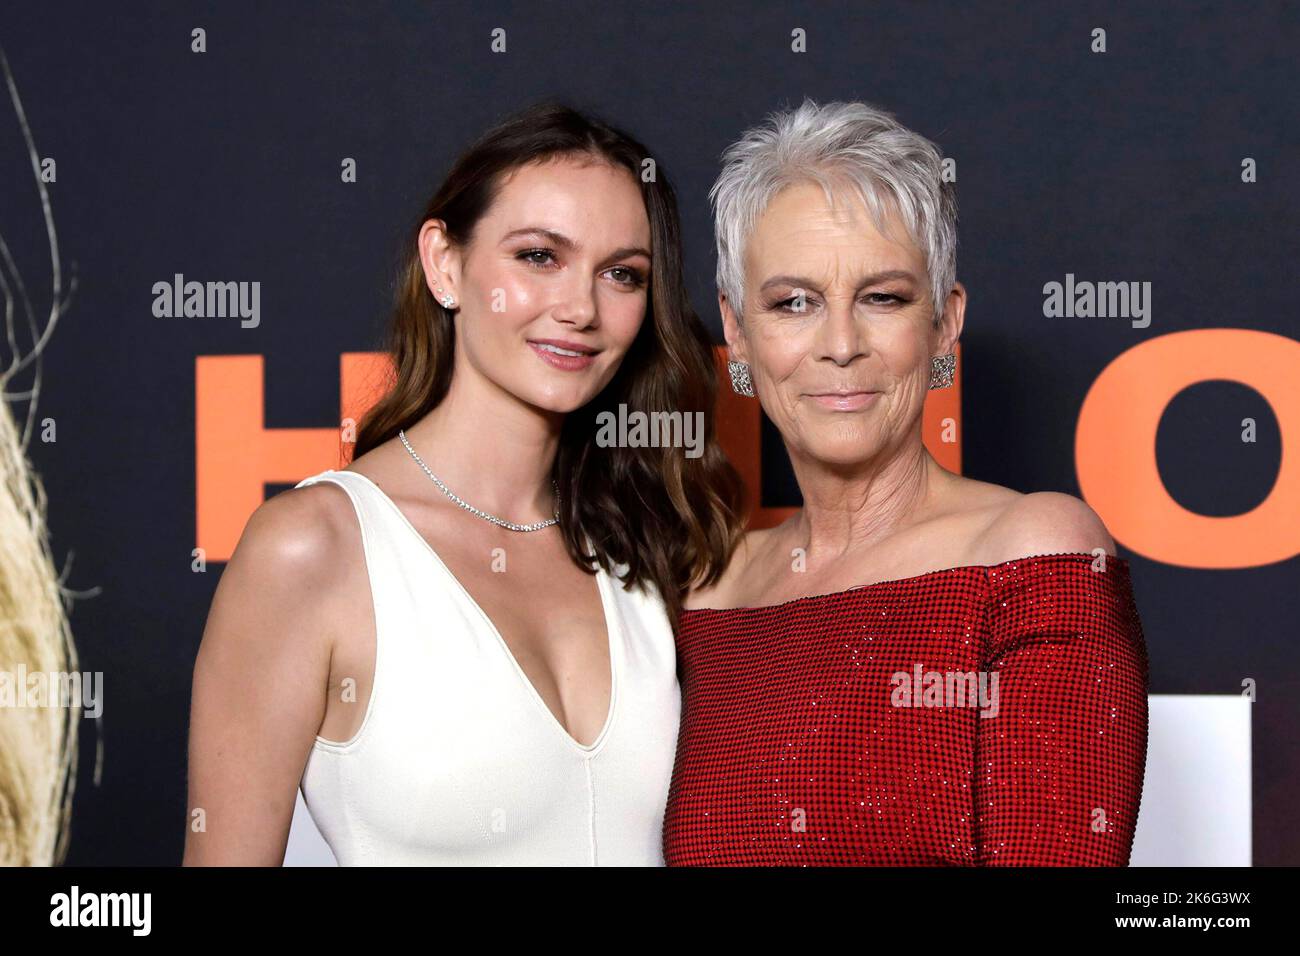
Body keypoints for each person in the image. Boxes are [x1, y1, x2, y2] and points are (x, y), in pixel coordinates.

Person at [185, 102, 743, 865]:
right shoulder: (314, 548)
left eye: (621, 274)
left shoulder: (646, 540)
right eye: (539, 256)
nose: (580, 308)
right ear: (445, 264)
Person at [662, 98, 1150, 866]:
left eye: (882, 298)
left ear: (944, 323)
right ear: (738, 332)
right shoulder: (705, 590)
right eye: (793, 303)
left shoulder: (1032, 554)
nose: (841, 345)